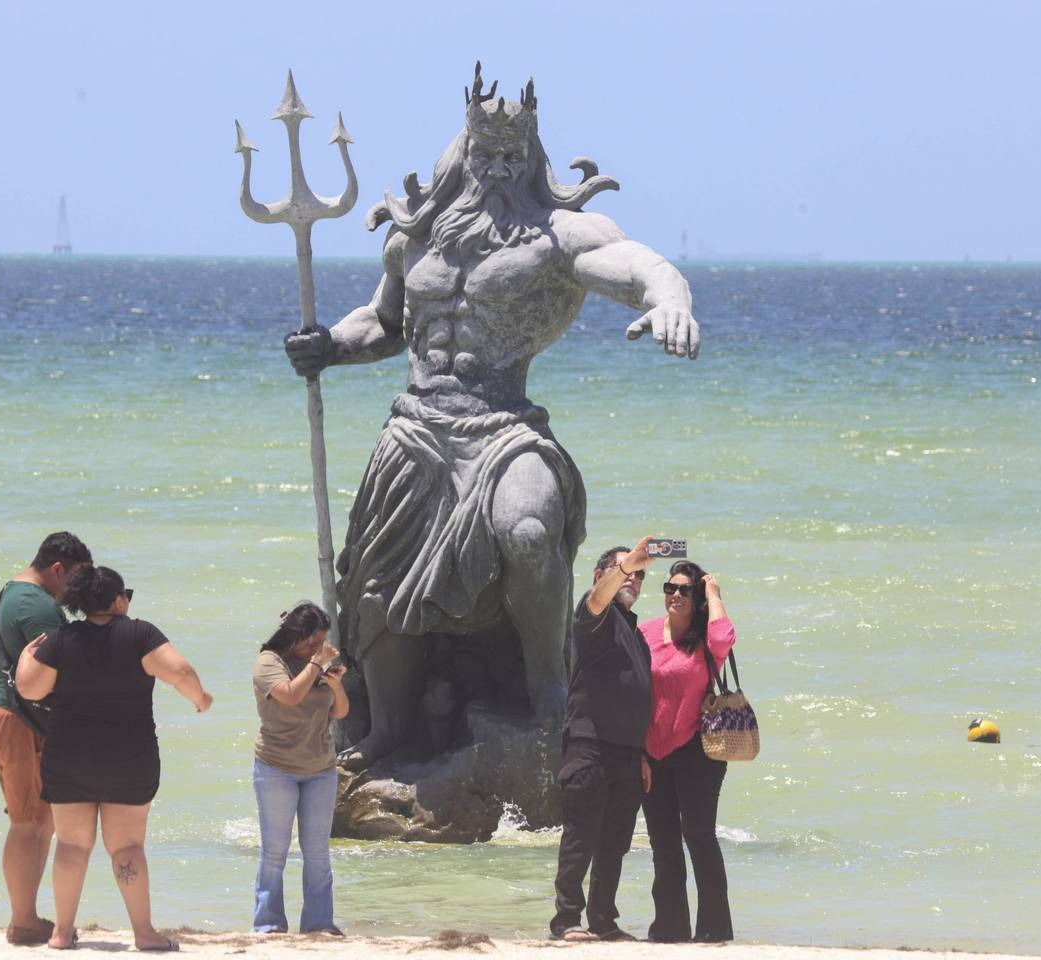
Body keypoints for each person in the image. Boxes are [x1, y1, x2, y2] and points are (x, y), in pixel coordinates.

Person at [284, 64, 702, 771]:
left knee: (529, 530)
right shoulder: (415, 237)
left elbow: (634, 264)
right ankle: (388, 729)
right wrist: (328, 345)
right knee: (379, 584)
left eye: (514, 156)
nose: (499, 169)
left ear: (534, 158)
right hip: (416, 430)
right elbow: (384, 322)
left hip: (505, 428)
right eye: (487, 154)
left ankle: (548, 689)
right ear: (463, 153)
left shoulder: (559, 236)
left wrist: (671, 298)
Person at [15, 564, 213, 952]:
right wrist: (201, 700)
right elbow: (181, 671)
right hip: (128, 760)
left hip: (69, 758)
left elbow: (30, 688)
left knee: (71, 845)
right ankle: (144, 933)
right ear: (118, 600)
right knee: (127, 847)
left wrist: (25, 656)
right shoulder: (140, 634)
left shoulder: (62, 639)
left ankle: (61, 933)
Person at [0, 531, 91, 946]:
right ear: (57, 569)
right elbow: (61, 669)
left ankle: (26, 918)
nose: (75, 593)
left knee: (38, 820)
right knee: (28, 822)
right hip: (19, 721)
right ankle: (23, 921)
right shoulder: (36, 604)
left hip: (15, 718)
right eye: (74, 580)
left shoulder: (14, 594)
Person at [550, 537, 658, 942]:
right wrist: (627, 565)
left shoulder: (635, 633)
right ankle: (566, 921)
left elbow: (635, 696)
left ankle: (603, 921)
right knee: (581, 836)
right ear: (601, 575)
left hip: (628, 753)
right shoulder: (593, 615)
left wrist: (641, 753)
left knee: (615, 842)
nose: (634, 579)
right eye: (626, 571)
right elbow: (598, 599)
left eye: (640, 575)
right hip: (589, 745)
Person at [639, 560, 737, 942]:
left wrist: (714, 596)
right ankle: (669, 929)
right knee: (663, 843)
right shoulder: (645, 632)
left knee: (698, 836)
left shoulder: (706, 639)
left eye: (685, 590)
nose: (676, 595)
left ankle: (714, 930)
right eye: (670, 588)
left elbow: (725, 636)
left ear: (696, 599)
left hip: (698, 750)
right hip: (652, 751)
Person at [251, 602, 350, 935]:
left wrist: (335, 684)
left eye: (321, 641)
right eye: (312, 642)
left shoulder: (315, 664)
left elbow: (340, 712)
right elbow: (291, 695)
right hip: (276, 767)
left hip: (321, 768)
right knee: (275, 851)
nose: (316, 648)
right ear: (294, 635)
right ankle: (268, 924)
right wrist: (317, 663)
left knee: (318, 852)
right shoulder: (269, 663)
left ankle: (319, 924)